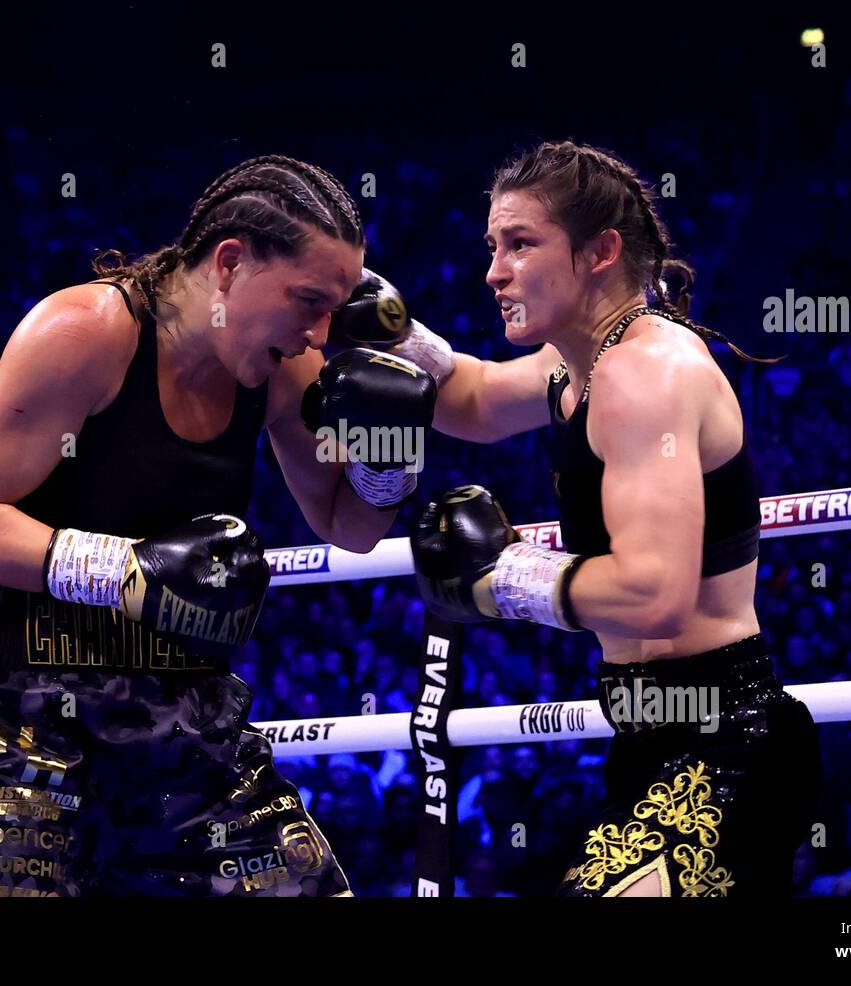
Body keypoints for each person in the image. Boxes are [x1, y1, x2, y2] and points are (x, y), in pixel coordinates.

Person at [0, 155, 436, 897]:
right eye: (308, 301)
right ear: (231, 262)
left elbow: (351, 525)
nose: (319, 333)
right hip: (31, 709)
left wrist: (389, 456)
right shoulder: (85, 333)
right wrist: (130, 571)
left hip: (189, 717)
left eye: (335, 308)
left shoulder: (282, 368)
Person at [343, 140, 822, 896]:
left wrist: (498, 579)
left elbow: (656, 595)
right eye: (492, 247)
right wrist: (391, 325)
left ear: (600, 251)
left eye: (521, 244)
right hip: (649, 739)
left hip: (728, 743)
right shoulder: (581, 363)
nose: (494, 271)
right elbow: (472, 398)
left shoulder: (645, 375)